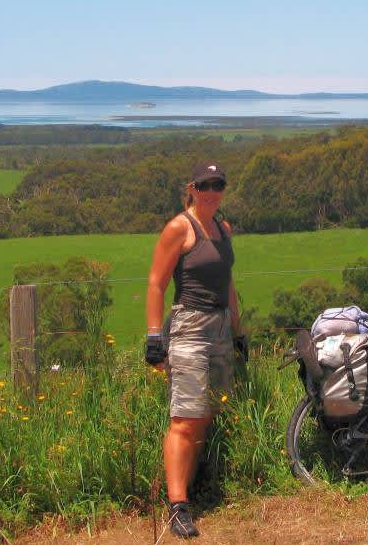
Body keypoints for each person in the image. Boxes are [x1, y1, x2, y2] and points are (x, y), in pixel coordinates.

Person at [144, 161, 246, 539]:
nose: (212, 191)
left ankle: (191, 486)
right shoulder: (179, 228)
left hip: (219, 326)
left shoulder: (223, 228)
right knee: (184, 417)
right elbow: (155, 284)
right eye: (205, 185)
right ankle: (177, 506)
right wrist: (156, 338)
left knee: (206, 414)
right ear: (192, 187)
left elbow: (229, 282)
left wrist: (238, 330)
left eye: (219, 183)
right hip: (188, 325)